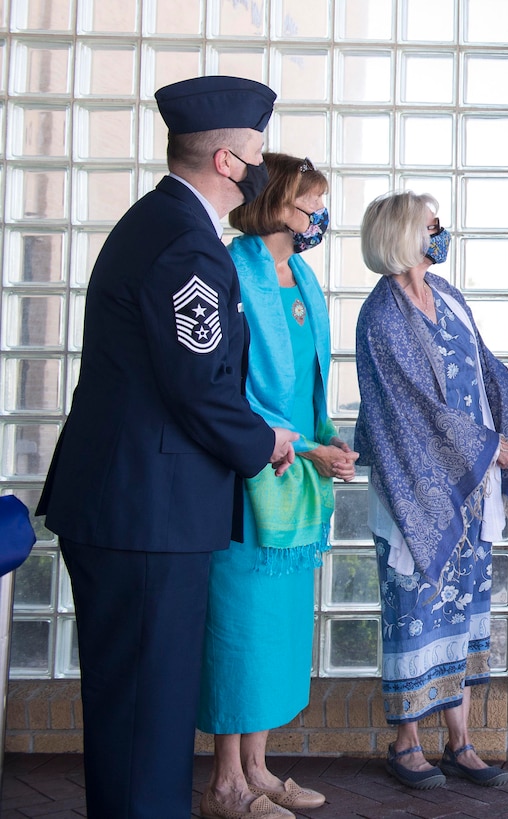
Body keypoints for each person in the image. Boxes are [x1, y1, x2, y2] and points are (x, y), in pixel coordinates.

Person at [35, 76, 299, 819]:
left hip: (136, 505)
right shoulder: (185, 245)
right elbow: (198, 387)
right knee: (146, 715)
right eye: (254, 154)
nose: (260, 169)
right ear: (225, 160)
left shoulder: (162, 225)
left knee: (139, 711)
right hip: (144, 511)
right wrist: (265, 440)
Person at [355, 191, 508, 790]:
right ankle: (406, 743)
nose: (442, 232)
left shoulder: (450, 301)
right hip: (417, 497)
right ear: (406, 234)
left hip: (471, 492)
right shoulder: (382, 317)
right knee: (413, 610)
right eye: (434, 224)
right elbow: (409, 411)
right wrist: (490, 449)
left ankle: (460, 742)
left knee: (460, 614)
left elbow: (493, 377)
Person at [195, 153, 359, 819]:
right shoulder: (233, 269)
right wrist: (299, 445)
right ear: (275, 205)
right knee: (239, 627)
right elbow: (223, 383)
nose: (318, 217)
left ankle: (259, 769)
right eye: (308, 205)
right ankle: (226, 783)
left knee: (277, 632)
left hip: (300, 479)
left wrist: (330, 442)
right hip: (247, 477)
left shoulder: (305, 278)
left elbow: (311, 379)